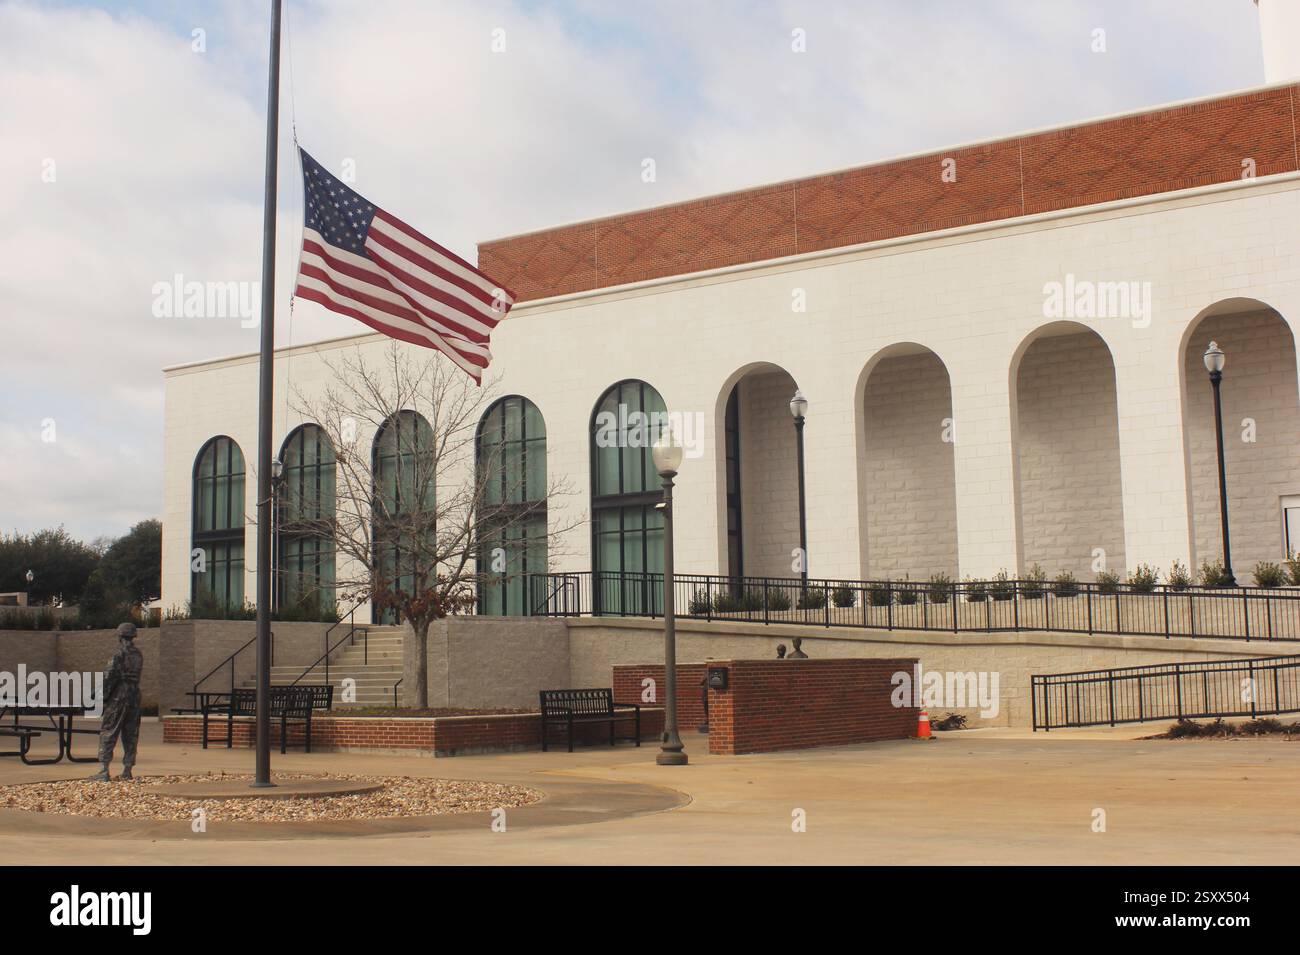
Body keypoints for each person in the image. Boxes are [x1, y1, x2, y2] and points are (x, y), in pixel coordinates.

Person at [88, 622, 144, 781]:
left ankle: (104, 769)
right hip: (135, 694)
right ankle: (127, 769)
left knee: (109, 730)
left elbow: (109, 677)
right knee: (131, 733)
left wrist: (98, 694)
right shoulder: (138, 654)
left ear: (120, 636)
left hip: (120, 695)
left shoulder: (118, 655)